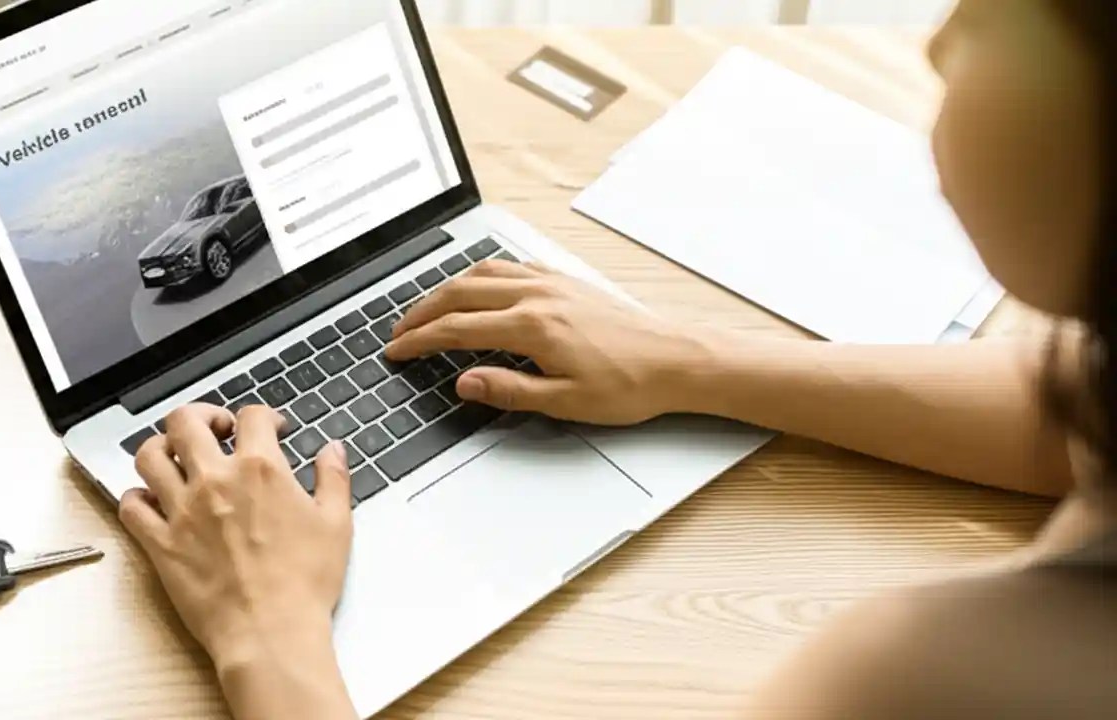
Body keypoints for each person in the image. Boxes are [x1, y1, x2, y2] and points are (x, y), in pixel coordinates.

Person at [116, 0, 1117, 717]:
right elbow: (1070, 402)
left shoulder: (934, 676)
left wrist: (268, 638)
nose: (940, 39)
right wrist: (692, 362)